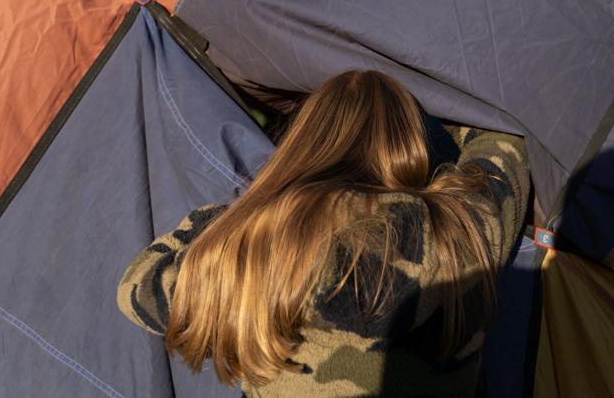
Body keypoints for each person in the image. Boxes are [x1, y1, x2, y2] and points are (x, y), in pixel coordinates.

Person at [117, 70, 530, 396]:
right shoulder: (461, 225)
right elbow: (501, 141)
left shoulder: (258, 247)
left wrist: (236, 218)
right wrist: (441, 110)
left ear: (304, 141)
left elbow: (138, 287)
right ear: (410, 142)